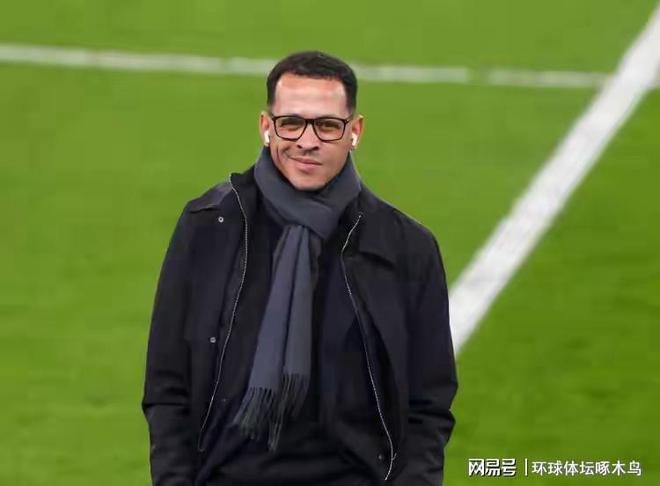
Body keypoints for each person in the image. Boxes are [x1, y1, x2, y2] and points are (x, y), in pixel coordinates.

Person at [142, 50, 458, 486]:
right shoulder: (209, 226)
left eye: (327, 126)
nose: (307, 142)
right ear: (266, 126)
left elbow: (429, 403)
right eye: (291, 123)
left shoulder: (406, 247)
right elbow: (167, 386)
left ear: (355, 132)